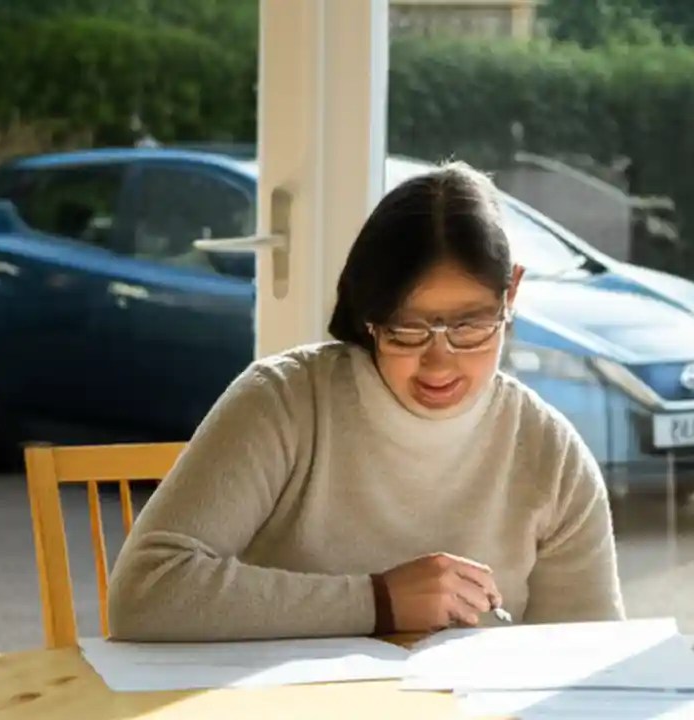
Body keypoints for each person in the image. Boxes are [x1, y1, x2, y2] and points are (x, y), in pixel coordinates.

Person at [107, 162, 625, 641]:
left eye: (470, 326)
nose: (438, 362)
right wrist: (379, 601)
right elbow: (144, 593)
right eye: (406, 329)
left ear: (510, 294)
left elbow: (589, 657)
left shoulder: (550, 453)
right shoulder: (284, 401)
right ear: (367, 314)